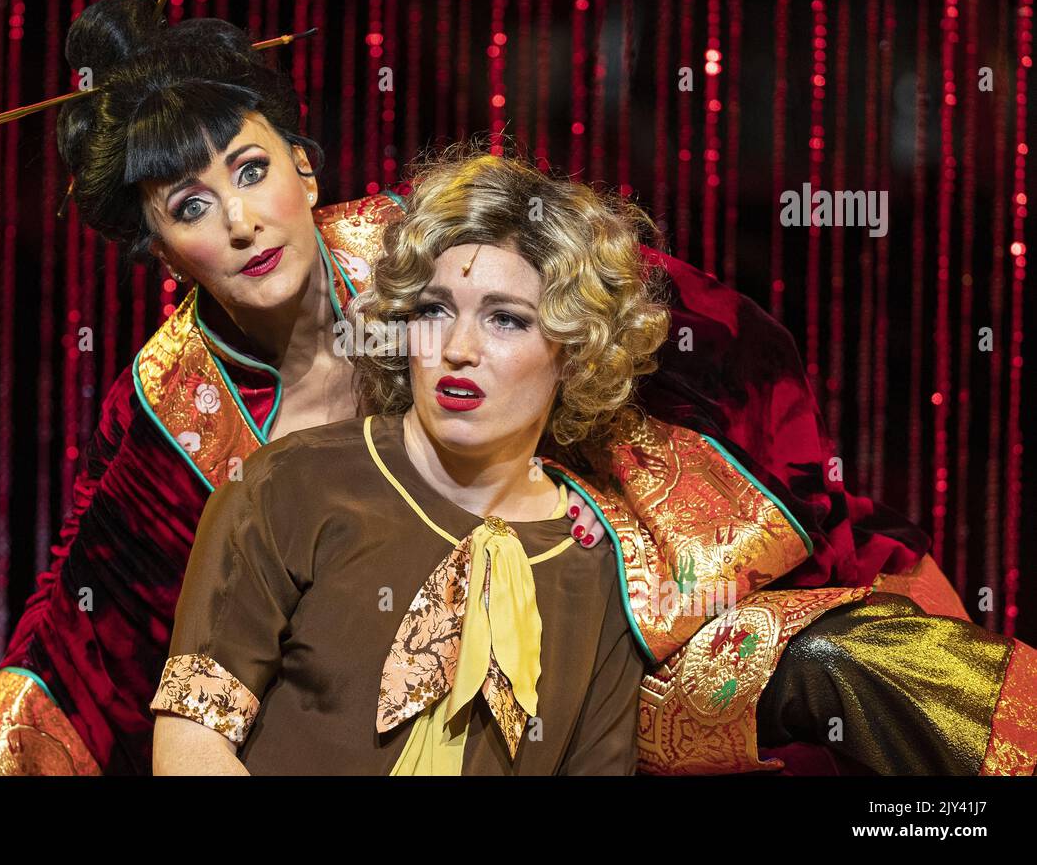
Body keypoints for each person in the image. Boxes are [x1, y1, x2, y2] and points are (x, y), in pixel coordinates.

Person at [0, 0, 1018, 776]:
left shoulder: (432, 247)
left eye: (251, 170)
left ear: (303, 165)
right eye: (191, 204)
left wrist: (800, 549)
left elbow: (690, 330)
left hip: (602, 663)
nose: (244, 218)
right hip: (374, 737)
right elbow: (79, 648)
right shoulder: (175, 420)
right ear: (159, 251)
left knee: (858, 661)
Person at [153, 148, 1036, 775]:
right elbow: (189, 739)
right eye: (435, 310)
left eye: (506, 319)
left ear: (572, 352)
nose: (458, 347)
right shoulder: (289, 483)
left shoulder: (600, 561)